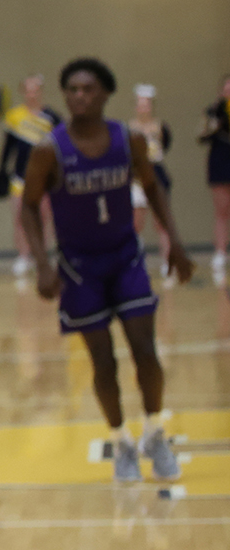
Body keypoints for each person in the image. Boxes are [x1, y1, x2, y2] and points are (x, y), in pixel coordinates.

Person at [21, 57, 194, 483]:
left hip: (125, 258)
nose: (79, 96)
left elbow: (153, 187)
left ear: (104, 94)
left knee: (146, 352)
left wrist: (175, 241)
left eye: (87, 89)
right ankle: (121, 442)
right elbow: (28, 205)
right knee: (102, 362)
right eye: (72, 90)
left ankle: (155, 432)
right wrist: (42, 264)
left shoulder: (128, 139)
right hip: (79, 268)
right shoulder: (50, 149)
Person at [0, 74, 62, 277]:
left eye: (36, 90)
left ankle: (43, 255)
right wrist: (1, 168)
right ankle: (23, 256)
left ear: (40, 92)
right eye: (28, 90)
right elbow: (8, 146)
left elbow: (61, 147)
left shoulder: (52, 117)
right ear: (23, 92)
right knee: (20, 217)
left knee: (45, 217)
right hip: (20, 176)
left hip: (45, 177)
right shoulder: (14, 116)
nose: (32, 94)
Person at [127, 85, 177, 284]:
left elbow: (165, 148)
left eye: (147, 104)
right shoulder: (129, 127)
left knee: (162, 223)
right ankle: (134, 262)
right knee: (136, 223)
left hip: (156, 176)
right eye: (140, 104)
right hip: (136, 178)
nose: (143, 108)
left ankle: (168, 264)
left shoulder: (161, 127)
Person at [202, 74, 230, 286]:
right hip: (220, 160)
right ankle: (220, 253)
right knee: (222, 209)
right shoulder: (213, 111)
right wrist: (214, 123)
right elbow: (203, 136)